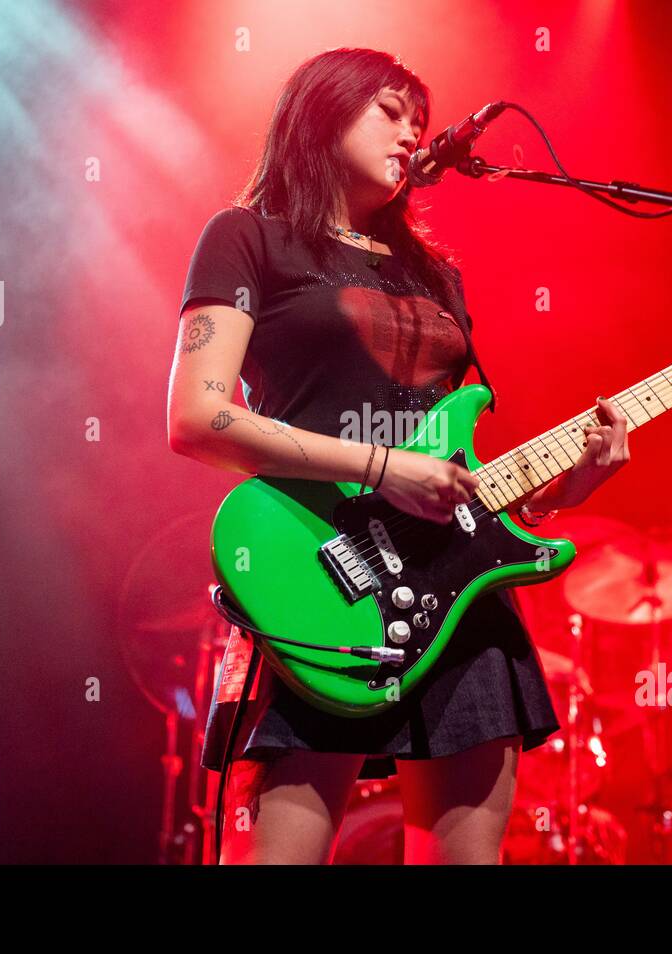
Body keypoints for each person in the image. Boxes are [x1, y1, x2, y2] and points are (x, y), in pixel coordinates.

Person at [167, 48, 629, 864]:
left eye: (420, 120)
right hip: (318, 576)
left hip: (460, 600)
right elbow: (197, 418)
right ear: (320, 112)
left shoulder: (434, 273)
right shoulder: (249, 238)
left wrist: (560, 491)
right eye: (391, 112)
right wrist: (381, 469)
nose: (414, 134)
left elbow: (457, 477)